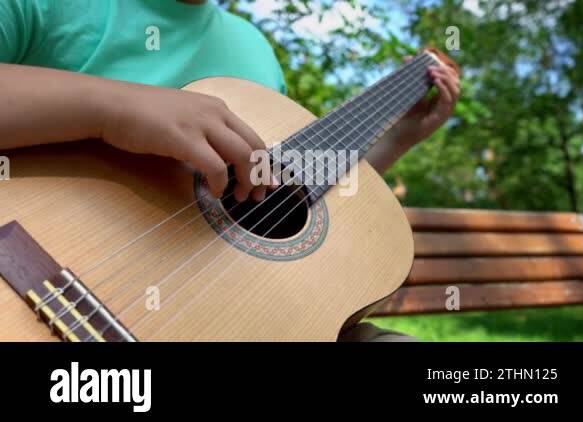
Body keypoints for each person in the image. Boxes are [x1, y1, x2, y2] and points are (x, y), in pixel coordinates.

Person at [0, 0, 460, 341]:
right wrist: (112, 107)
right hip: (29, 271)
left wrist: (400, 135)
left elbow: (289, 198)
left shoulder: (252, 49)